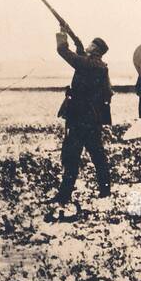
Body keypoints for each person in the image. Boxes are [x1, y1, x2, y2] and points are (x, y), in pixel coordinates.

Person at [51, 28, 114, 209]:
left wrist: (63, 37)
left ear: (95, 50)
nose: (88, 45)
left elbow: (64, 52)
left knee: (72, 156)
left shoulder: (91, 65)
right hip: (90, 118)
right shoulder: (96, 65)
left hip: (81, 118)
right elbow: (81, 59)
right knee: (96, 154)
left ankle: (64, 196)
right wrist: (77, 43)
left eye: (91, 44)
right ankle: (105, 190)